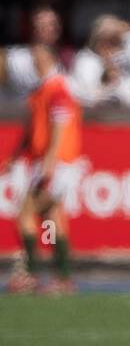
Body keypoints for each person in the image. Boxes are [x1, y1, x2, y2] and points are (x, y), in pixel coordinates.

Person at [4, 45, 81, 295]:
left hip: (55, 162)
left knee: (26, 213)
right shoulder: (44, 90)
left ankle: (33, 273)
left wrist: (49, 160)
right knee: (52, 217)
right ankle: (63, 277)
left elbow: (60, 124)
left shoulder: (57, 88)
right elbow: (35, 129)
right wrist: (16, 156)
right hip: (52, 161)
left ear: (45, 60)